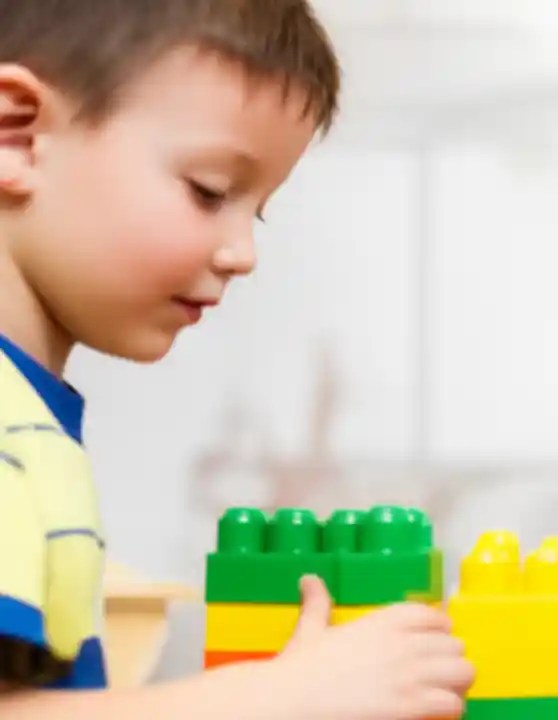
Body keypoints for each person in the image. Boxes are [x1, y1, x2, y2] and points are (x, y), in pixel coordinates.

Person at [0, 1, 473, 718]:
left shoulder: (30, 423)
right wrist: (282, 697)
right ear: (19, 133)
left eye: (255, 212)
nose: (242, 254)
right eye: (210, 190)